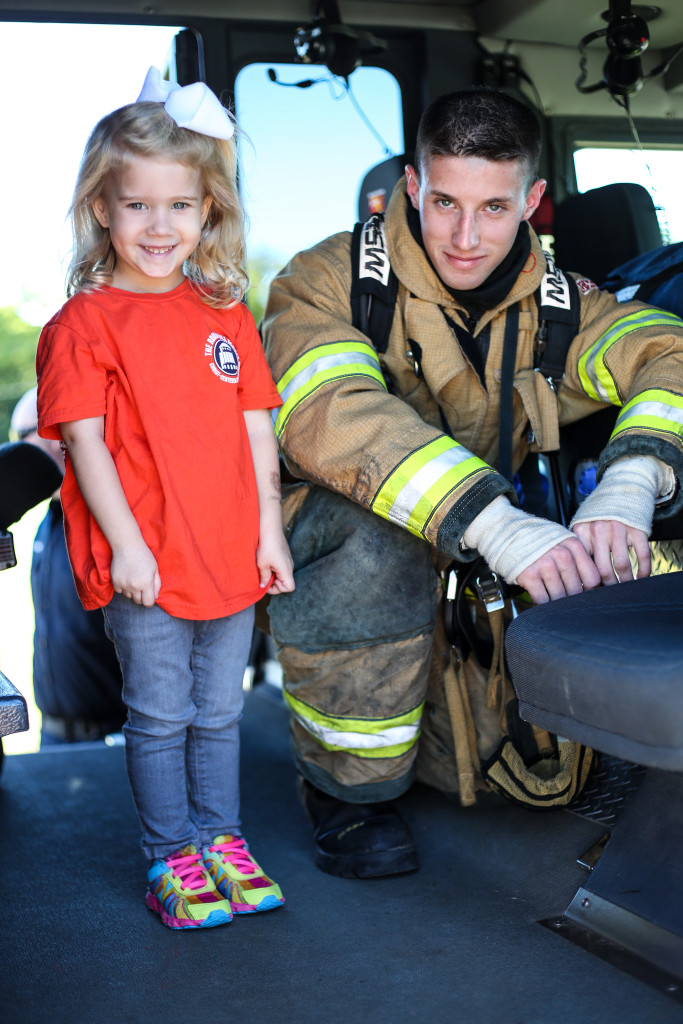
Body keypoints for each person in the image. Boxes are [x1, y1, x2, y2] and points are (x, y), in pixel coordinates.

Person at [261, 87, 683, 879]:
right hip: (348, 553)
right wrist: (497, 524)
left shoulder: (560, 305)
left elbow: (668, 354)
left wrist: (630, 480)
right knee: (371, 534)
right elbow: (330, 412)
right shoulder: (326, 281)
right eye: (445, 201)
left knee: (522, 789)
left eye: (493, 208)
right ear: (414, 188)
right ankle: (345, 790)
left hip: (475, 572)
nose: (465, 236)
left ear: (530, 201)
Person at [36, 68, 294, 930]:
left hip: (229, 552)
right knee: (159, 716)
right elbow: (87, 445)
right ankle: (169, 855)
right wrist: (130, 547)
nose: (159, 225)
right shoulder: (83, 326)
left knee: (219, 712)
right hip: (146, 559)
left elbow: (257, 431)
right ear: (102, 207)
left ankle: (222, 839)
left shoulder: (224, 313)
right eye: (137, 205)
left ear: (207, 212)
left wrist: (271, 532)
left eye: (179, 206)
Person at [10, 387, 126, 746]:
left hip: (109, 739)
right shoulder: (47, 519)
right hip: (54, 735)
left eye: (23, 436)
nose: (18, 450)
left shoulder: (109, 521)